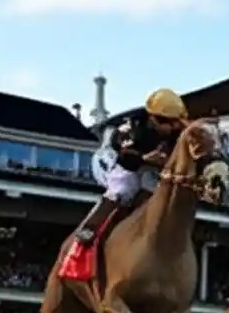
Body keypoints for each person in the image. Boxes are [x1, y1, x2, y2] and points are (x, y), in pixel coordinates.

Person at [72, 87, 189, 249]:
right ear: (154, 119)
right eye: (168, 122)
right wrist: (145, 158)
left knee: (154, 187)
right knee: (124, 187)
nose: (173, 127)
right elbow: (125, 157)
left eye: (176, 122)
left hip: (146, 164)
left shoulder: (176, 129)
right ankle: (89, 228)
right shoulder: (132, 128)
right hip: (112, 160)